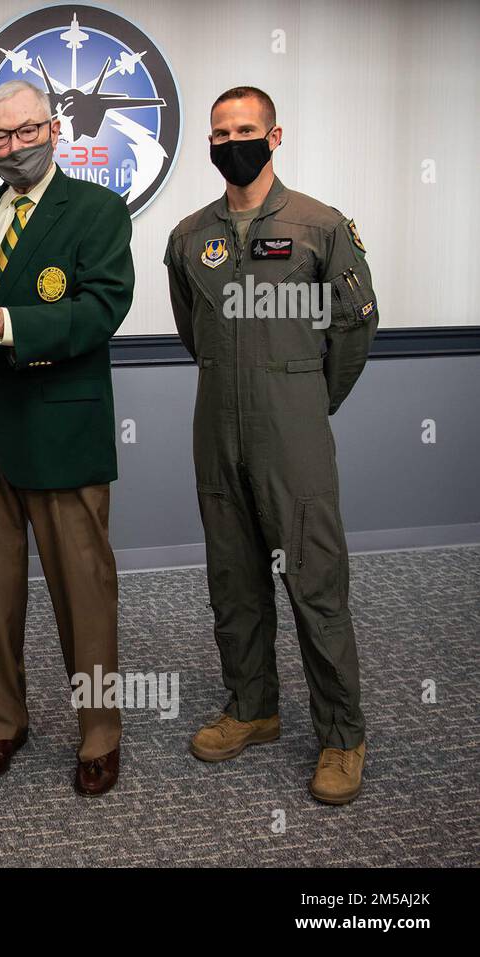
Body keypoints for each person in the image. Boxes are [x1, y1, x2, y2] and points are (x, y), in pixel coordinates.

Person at [163, 86, 378, 805]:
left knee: (315, 584)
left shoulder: (320, 226)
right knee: (234, 581)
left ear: (275, 135)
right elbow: (195, 332)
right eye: (222, 132)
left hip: (293, 432)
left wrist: (307, 402)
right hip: (216, 425)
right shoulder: (192, 236)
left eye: (246, 129)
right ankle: (252, 706)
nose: (233, 141)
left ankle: (342, 735)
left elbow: (352, 332)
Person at [0, 80, 134, 795]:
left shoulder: (99, 211)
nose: (12, 147)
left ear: (53, 129)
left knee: (85, 594)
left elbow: (101, 308)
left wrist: (7, 325)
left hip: (63, 435)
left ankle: (100, 733)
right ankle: (0, 724)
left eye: (25, 132)